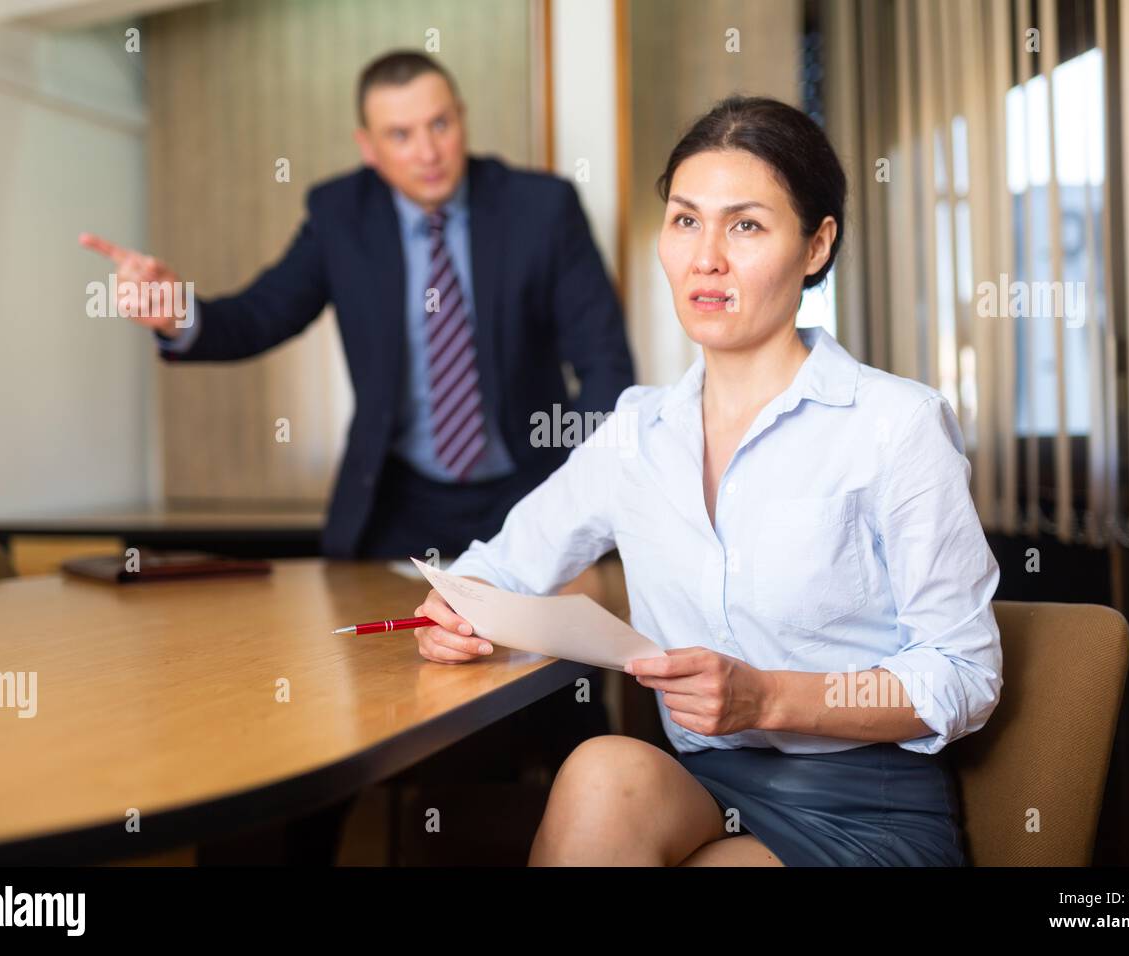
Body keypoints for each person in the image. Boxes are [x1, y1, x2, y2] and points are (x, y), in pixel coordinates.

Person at [414, 96, 1003, 866]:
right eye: (686, 220)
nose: (706, 257)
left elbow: (965, 673)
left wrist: (770, 698)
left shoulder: (897, 424)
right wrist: (452, 611)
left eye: (746, 225)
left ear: (817, 245)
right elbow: (499, 567)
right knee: (599, 772)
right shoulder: (637, 432)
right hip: (700, 786)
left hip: (865, 806)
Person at [79, 50, 634, 560]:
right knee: (382, 664)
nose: (428, 152)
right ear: (368, 146)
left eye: (440, 124)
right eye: (400, 135)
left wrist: (575, 491)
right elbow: (262, 313)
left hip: (528, 493)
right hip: (397, 506)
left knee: (543, 663)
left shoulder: (541, 207)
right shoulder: (338, 215)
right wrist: (179, 313)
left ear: (462, 117)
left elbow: (605, 363)